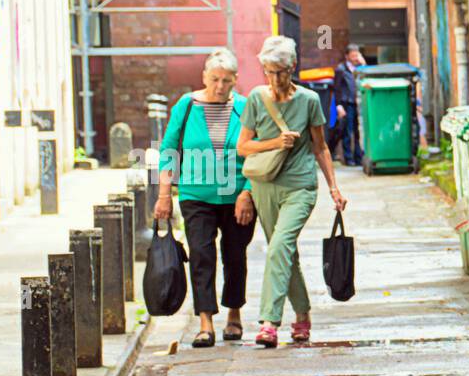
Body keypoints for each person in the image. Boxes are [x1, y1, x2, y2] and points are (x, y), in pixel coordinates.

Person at [237, 35, 348, 348]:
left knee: (278, 248)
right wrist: (275, 142)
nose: (274, 79)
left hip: (300, 185)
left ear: (292, 68)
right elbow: (243, 147)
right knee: (284, 253)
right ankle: (302, 315)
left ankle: (269, 322)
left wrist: (333, 188)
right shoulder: (257, 99)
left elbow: (321, 146)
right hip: (264, 185)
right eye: (269, 72)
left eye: (280, 72)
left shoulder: (310, 100)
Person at [154, 48, 255, 348]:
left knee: (235, 255)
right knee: (201, 254)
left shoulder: (246, 107)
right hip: (196, 195)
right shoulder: (186, 106)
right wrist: (164, 195)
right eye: (214, 79)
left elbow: (258, 151)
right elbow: (169, 151)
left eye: (226, 80)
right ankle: (205, 321)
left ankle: (234, 313)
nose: (220, 86)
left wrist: (248, 190)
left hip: (237, 195)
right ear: (204, 77)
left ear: (235, 80)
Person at [332, 44, 365, 167]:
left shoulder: (359, 69)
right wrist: (339, 106)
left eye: (357, 55)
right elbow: (337, 89)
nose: (355, 58)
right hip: (347, 103)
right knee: (347, 132)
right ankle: (348, 158)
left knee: (358, 131)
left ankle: (358, 157)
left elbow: (366, 78)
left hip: (358, 103)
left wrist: (363, 63)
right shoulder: (341, 69)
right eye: (353, 55)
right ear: (347, 56)